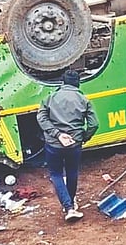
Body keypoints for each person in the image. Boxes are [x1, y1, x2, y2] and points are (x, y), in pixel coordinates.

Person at [36, 70, 99, 221]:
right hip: (74, 144)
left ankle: (68, 207)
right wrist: (83, 137)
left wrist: (57, 134)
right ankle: (71, 203)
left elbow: (41, 118)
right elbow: (94, 124)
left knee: (56, 174)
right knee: (72, 172)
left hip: (53, 144)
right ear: (78, 83)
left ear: (63, 82)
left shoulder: (50, 98)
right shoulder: (84, 100)